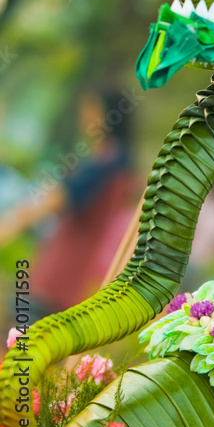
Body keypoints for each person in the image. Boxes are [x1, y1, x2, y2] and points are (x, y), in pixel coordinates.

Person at [0, 88, 138, 320]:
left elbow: (57, 198)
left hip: (58, 277)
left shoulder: (107, 162)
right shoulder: (118, 163)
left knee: (20, 335)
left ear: (105, 115)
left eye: (90, 108)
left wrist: (11, 225)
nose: (83, 115)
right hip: (73, 279)